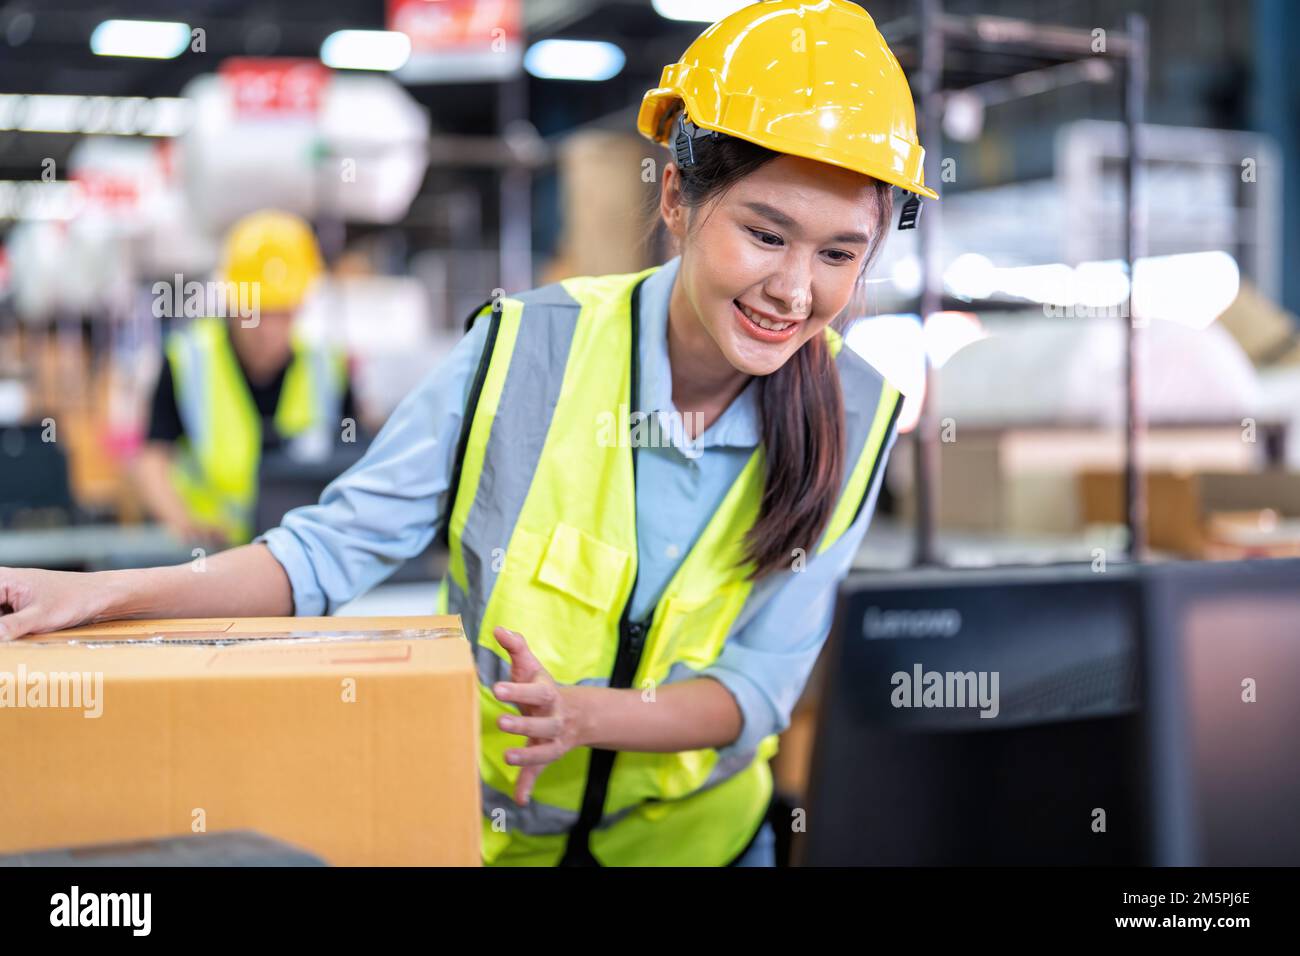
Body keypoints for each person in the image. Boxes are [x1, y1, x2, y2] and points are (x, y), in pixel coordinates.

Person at [0, 0, 936, 866]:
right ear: (678, 202)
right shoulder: (522, 354)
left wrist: (584, 716)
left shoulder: (856, 417)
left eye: (839, 254)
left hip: (707, 850)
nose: (795, 289)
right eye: (766, 235)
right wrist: (111, 594)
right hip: (495, 845)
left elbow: (758, 690)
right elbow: (325, 555)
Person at [133, 210, 356, 548]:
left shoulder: (327, 368)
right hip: (214, 555)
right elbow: (153, 460)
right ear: (234, 300)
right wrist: (185, 526)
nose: (268, 330)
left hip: (302, 555)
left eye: (282, 313)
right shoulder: (187, 360)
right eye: (257, 313)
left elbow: (354, 458)